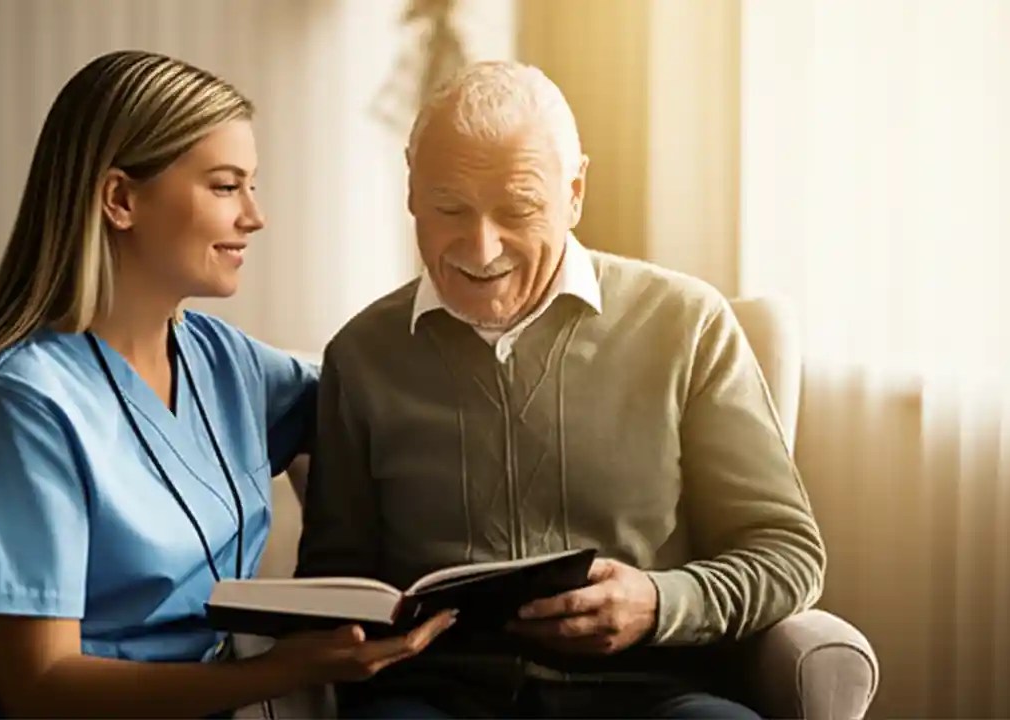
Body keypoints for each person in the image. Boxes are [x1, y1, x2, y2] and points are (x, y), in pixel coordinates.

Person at [0, 50, 454, 719]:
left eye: (252, 185)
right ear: (120, 200)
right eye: (225, 186)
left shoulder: (224, 362)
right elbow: (39, 687)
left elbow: (378, 399)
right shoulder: (17, 403)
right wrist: (278, 672)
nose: (254, 216)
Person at [296, 60, 827, 719]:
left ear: (574, 192)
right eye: (449, 208)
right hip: (434, 699)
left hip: (652, 693)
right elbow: (332, 578)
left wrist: (658, 602)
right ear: (411, 189)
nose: (481, 249)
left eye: (518, 210)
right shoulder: (361, 356)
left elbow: (787, 553)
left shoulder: (687, 324)